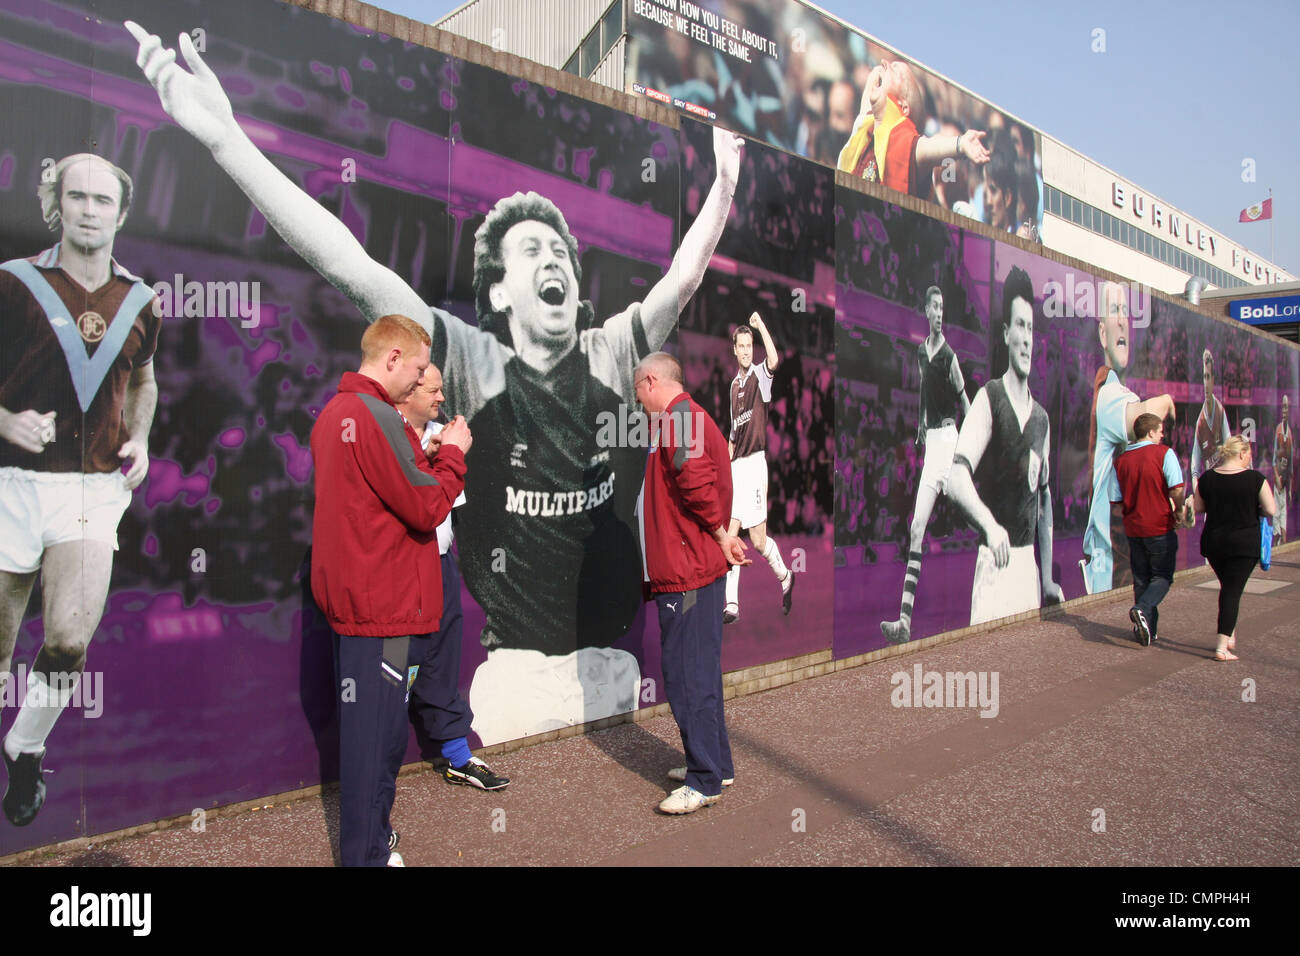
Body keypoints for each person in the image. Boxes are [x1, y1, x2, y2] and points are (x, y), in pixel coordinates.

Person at [127, 22, 744, 745]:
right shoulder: (473, 363)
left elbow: (686, 274)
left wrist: (725, 182)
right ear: (502, 290)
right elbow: (353, 267)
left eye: (560, 251)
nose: (554, 260)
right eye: (532, 251)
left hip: (612, 666)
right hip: (517, 680)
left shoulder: (609, 354)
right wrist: (227, 141)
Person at [0, 153, 160, 827]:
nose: (89, 210)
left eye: (102, 200)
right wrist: (5, 419)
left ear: (121, 213)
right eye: (77, 197)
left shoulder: (142, 301)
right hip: (11, 484)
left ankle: (25, 747)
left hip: (92, 490)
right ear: (55, 205)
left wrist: (142, 437)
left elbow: (145, 382)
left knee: (67, 641)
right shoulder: (13, 284)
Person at [310, 314, 470, 867]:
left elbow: (380, 495)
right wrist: (452, 455)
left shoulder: (342, 413)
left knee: (379, 743)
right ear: (394, 358)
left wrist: (427, 461)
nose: (427, 381)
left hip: (378, 609)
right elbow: (425, 505)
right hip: (383, 614)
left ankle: (374, 845)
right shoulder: (371, 415)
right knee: (374, 745)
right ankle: (367, 855)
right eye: (422, 368)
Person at [634, 352, 748, 815]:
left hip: (688, 573)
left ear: (650, 381)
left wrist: (722, 536)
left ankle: (704, 780)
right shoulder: (692, 417)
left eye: (638, 392)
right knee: (700, 674)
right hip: (692, 570)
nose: (638, 402)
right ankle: (715, 765)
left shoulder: (680, 419)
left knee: (688, 676)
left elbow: (696, 483)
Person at [393, 368, 507, 793]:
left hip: (439, 564)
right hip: (400, 572)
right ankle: (375, 777)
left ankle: (458, 757)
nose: (442, 396)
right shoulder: (387, 433)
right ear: (408, 391)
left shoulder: (445, 434)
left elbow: (443, 507)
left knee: (441, 661)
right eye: (433, 389)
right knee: (394, 672)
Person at [946, 266, 1062, 625]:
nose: (1027, 337)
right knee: (991, 671)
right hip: (995, 566)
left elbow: (1043, 499)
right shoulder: (989, 398)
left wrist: (1046, 579)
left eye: (1031, 327)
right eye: (1020, 327)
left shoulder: (1042, 419)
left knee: (1026, 676)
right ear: (1006, 333)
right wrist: (990, 525)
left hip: (1027, 570)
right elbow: (955, 477)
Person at [881, 286, 970, 644]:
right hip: (933, 443)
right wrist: (920, 427)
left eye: (942, 306)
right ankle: (904, 622)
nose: (939, 311)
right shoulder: (921, 352)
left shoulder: (949, 356)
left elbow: (965, 401)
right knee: (917, 527)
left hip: (950, 441)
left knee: (975, 515)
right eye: (934, 306)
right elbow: (922, 390)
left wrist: (965, 451)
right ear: (925, 311)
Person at [1081, 281, 1175, 595]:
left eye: (1126, 312)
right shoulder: (1109, 393)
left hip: (1119, 555)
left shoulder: (1117, 390)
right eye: (1114, 311)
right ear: (1103, 333)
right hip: (1110, 567)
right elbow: (1144, 417)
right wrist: (1167, 402)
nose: (1123, 320)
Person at [723, 313, 793, 624]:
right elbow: (734, 433)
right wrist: (726, 460)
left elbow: (775, 359)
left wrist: (761, 325)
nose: (748, 350)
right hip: (737, 466)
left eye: (750, 345)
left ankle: (785, 575)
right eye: (742, 346)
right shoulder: (733, 386)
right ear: (734, 350)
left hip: (754, 466)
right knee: (731, 533)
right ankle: (732, 604)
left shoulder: (759, 379)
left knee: (760, 541)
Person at [836, 59, 989, 198]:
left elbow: (928, 146)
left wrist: (961, 144)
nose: (884, 63)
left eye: (896, 72)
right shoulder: (866, 133)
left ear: (903, 105)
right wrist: (880, 73)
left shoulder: (905, 143)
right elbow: (869, 98)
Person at [1192, 435, 1276, 662]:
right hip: (1243, 544)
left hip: (1214, 542)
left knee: (1229, 587)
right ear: (1241, 454)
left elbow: (1199, 507)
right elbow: (1271, 509)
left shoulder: (1207, 478)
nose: (1250, 457)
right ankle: (1222, 646)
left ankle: (1229, 634)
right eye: (1249, 453)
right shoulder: (1255, 479)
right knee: (1232, 590)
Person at [1115, 413, 1186, 646]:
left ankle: (1148, 630)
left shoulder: (1122, 460)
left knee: (1142, 579)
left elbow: (1115, 498)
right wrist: (1179, 511)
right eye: (1160, 430)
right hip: (1159, 526)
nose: (1163, 434)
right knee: (1162, 577)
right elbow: (1176, 489)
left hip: (1134, 528)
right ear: (1152, 432)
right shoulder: (1164, 453)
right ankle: (1142, 609)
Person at [1189, 349, 1232, 500]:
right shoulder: (1200, 423)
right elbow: (1194, 466)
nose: (1206, 383)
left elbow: (1230, 447)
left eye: (1208, 377)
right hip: (1211, 492)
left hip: (1226, 487)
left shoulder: (1220, 411)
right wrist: (1198, 491)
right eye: (1204, 377)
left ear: (1213, 380)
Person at [1274, 395, 1292, 545]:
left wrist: (1290, 488)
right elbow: (1274, 459)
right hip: (1278, 481)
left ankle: (1283, 541)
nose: (1285, 410)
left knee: (1283, 513)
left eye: (1287, 407)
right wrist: (1276, 478)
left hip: (1285, 482)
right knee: (1276, 514)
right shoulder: (1278, 430)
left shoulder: (1290, 432)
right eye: (1283, 407)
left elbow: (1290, 462)